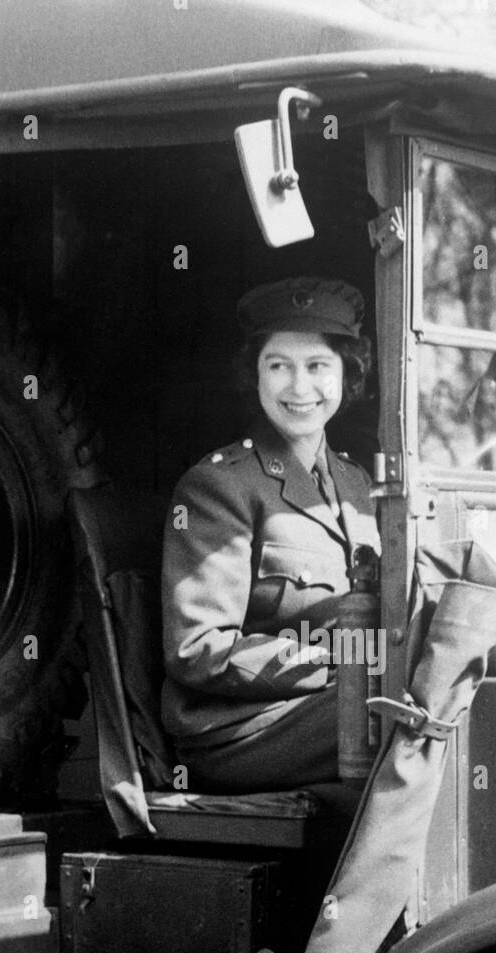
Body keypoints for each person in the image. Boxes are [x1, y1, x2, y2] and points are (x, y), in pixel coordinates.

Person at [160, 277, 380, 792]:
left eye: (317, 366)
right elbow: (198, 647)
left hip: (326, 705)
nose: (299, 388)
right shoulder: (219, 485)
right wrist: (331, 666)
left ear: (347, 374)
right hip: (240, 730)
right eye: (278, 365)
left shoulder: (357, 484)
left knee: (418, 701)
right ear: (254, 376)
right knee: (405, 714)